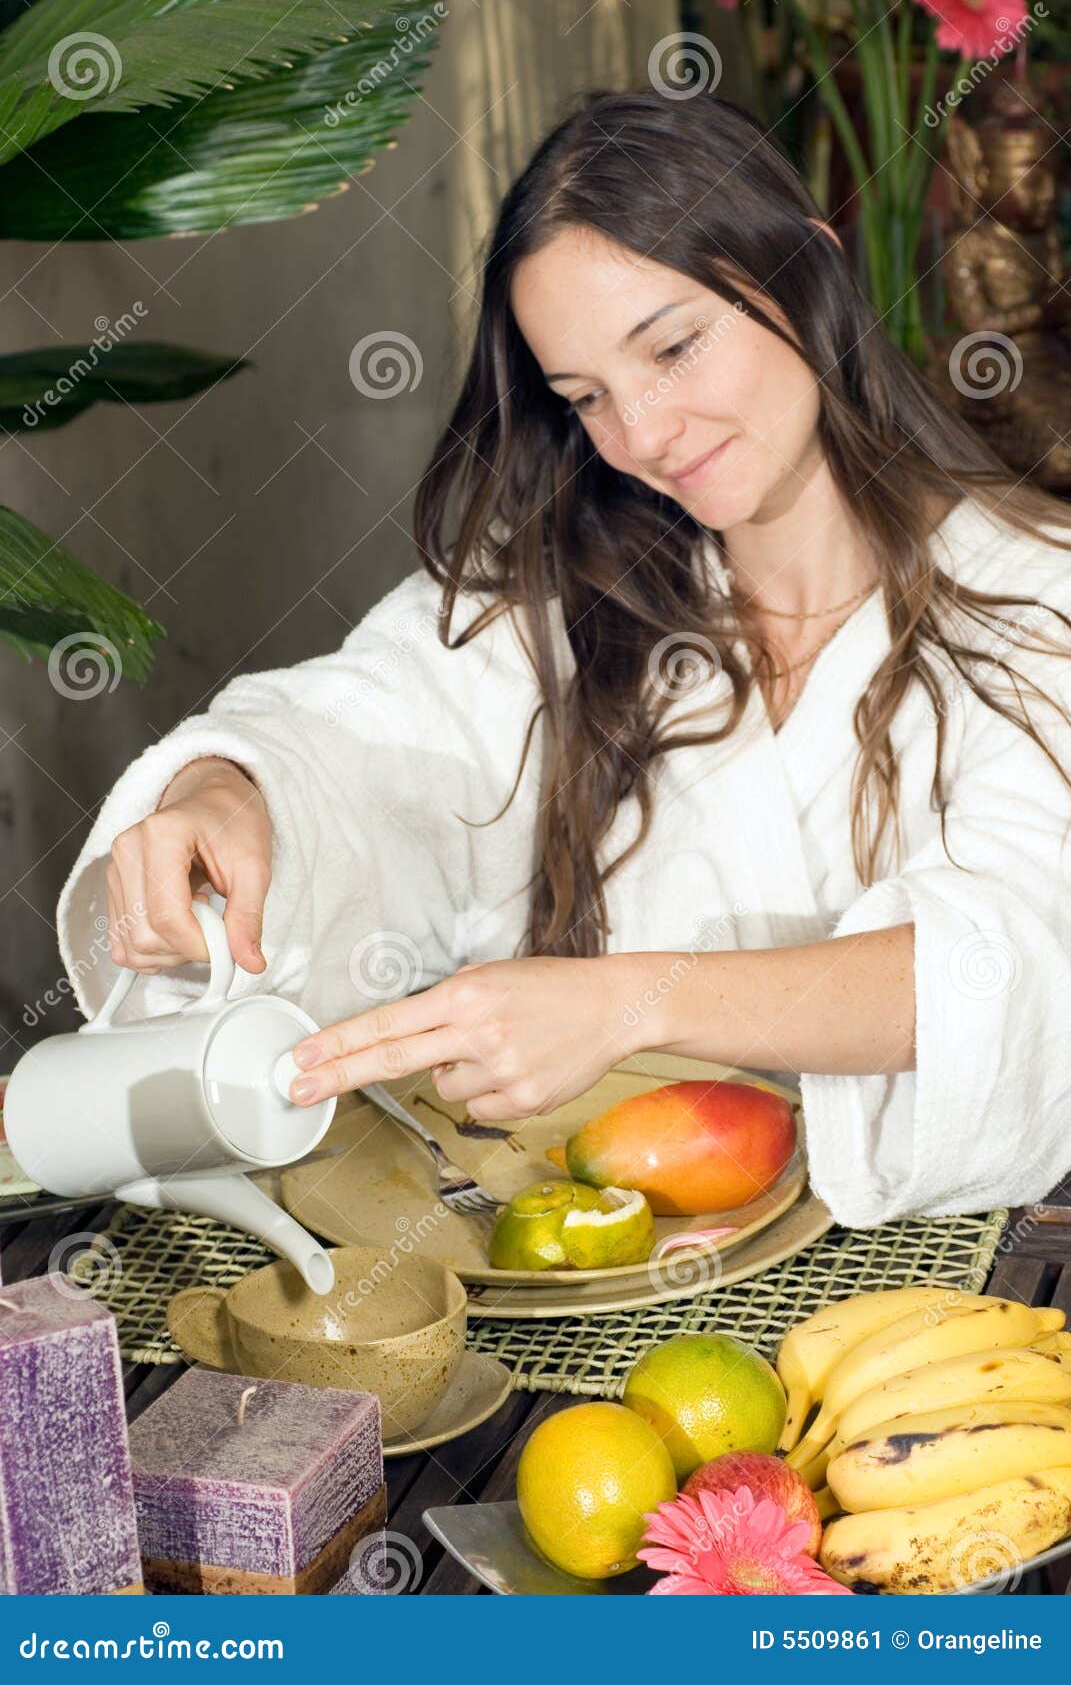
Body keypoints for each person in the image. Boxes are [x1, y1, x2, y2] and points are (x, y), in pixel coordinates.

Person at [58, 90, 1071, 1227]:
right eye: (586, 396)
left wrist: (628, 1004)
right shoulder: (567, 585)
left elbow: (1021, 962)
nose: (642, 436)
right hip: (594, 1252)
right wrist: (226, 791)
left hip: (934, 1293)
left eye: (675, 347)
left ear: (814, 274)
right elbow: (364, 734)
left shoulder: (1042, 600)